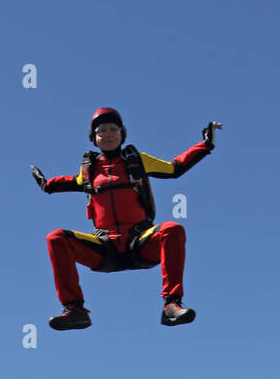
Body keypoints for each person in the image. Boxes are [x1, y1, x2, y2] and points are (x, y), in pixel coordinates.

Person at [31, 108, 218, 330]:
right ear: (94, 138)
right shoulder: (89, 169)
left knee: (172, 228)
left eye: (113, 130)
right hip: (105, 246)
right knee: (56, 238)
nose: (107, 134)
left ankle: (171, 305)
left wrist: (204, 146)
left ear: (122, 134)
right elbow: (72, 181)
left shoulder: (137, 160)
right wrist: (47, 185)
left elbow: (174, 169)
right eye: (101, 131)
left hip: (139, 242)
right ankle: (75, 311)